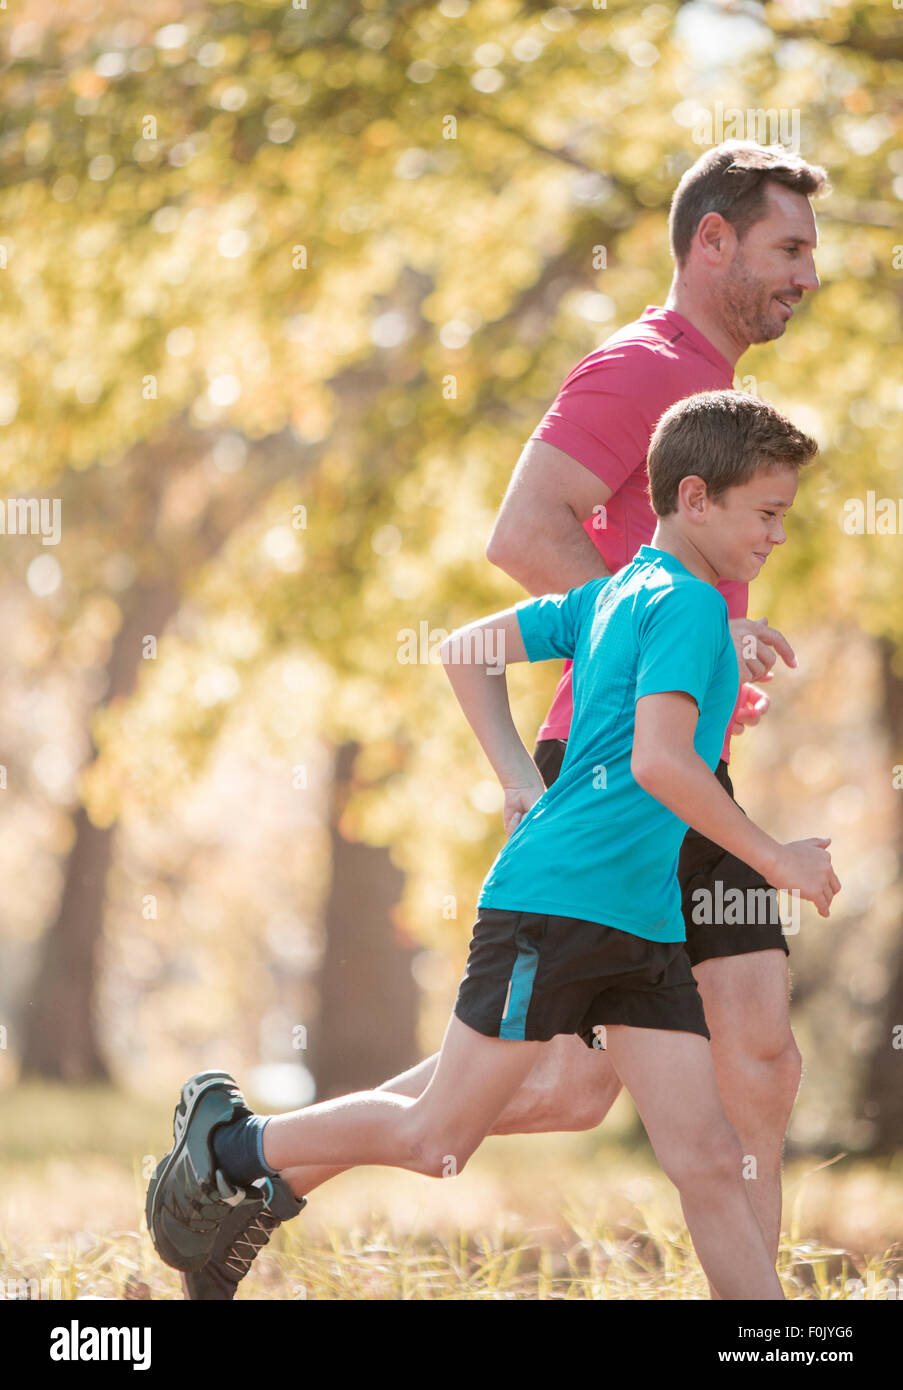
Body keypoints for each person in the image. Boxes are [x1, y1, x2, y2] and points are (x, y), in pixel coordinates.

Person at [154, 140, 831, 1300]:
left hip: (681, 758)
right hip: (626, 770)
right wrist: (664, 645)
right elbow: (523, 532)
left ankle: (759, 1317)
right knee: (560, 1094)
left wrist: (705, 657)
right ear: (709, 240)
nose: (808, 274)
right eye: (788, 247)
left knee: (746, 1059)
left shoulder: (718, 396)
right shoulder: (640, 367)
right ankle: (244, 1155)